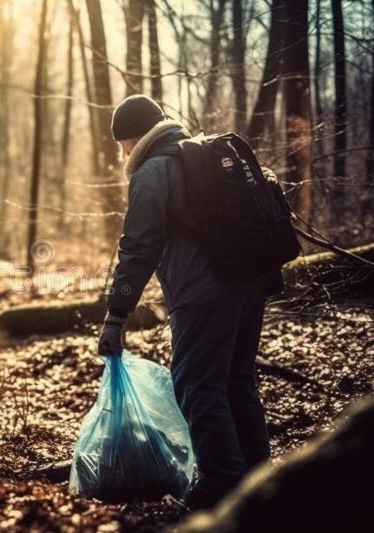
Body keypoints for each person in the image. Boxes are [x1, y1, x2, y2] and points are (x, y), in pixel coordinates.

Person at [97, 95, 273, 509]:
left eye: (122, 143)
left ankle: (221, 486)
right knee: (236, 382)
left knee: (197, 385)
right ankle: (259, 479)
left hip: (203, 293)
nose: (122, 152)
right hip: (251, 283)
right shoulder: (199, 155)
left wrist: (115, 315)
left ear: (132, 138)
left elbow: (139, 247)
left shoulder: (153, 170)